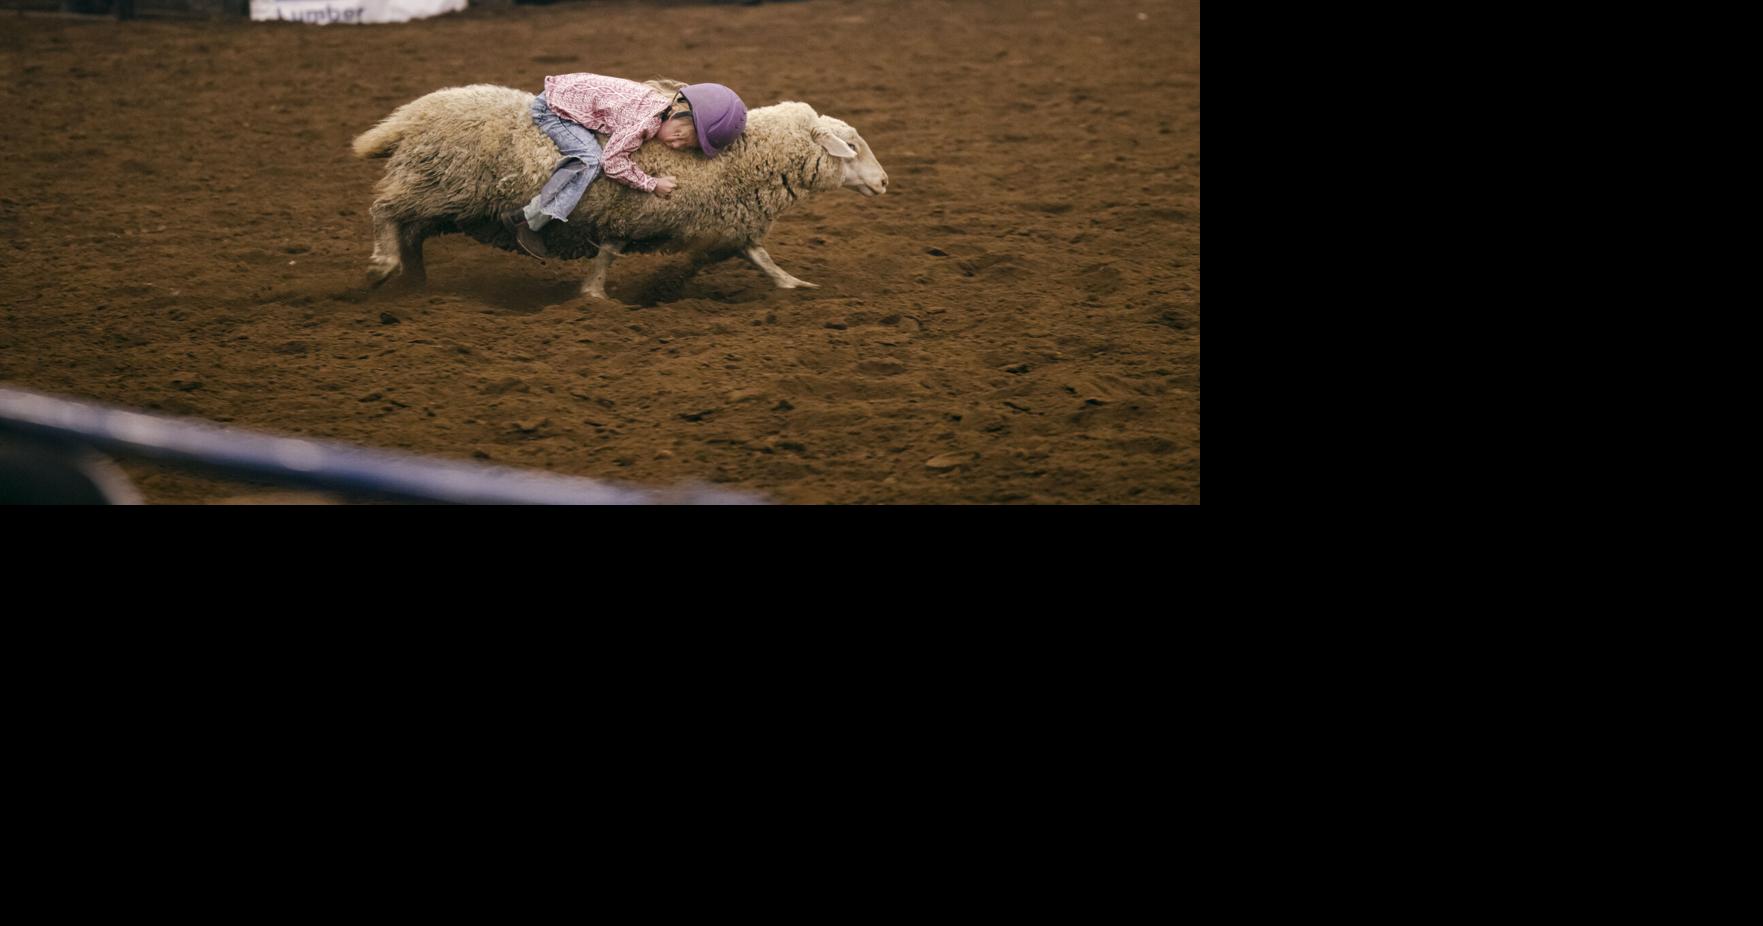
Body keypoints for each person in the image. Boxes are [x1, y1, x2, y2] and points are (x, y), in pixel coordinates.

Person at [509, 74, 748, 260]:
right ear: (678, 114)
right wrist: (651, 183)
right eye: (680, 136)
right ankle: (530, 220)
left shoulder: (659, 105)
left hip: (566, 93)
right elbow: (612, 163)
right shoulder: (644, 122)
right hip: (553, 108)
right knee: (590, 160)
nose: (675, 145)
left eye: (684, 146)